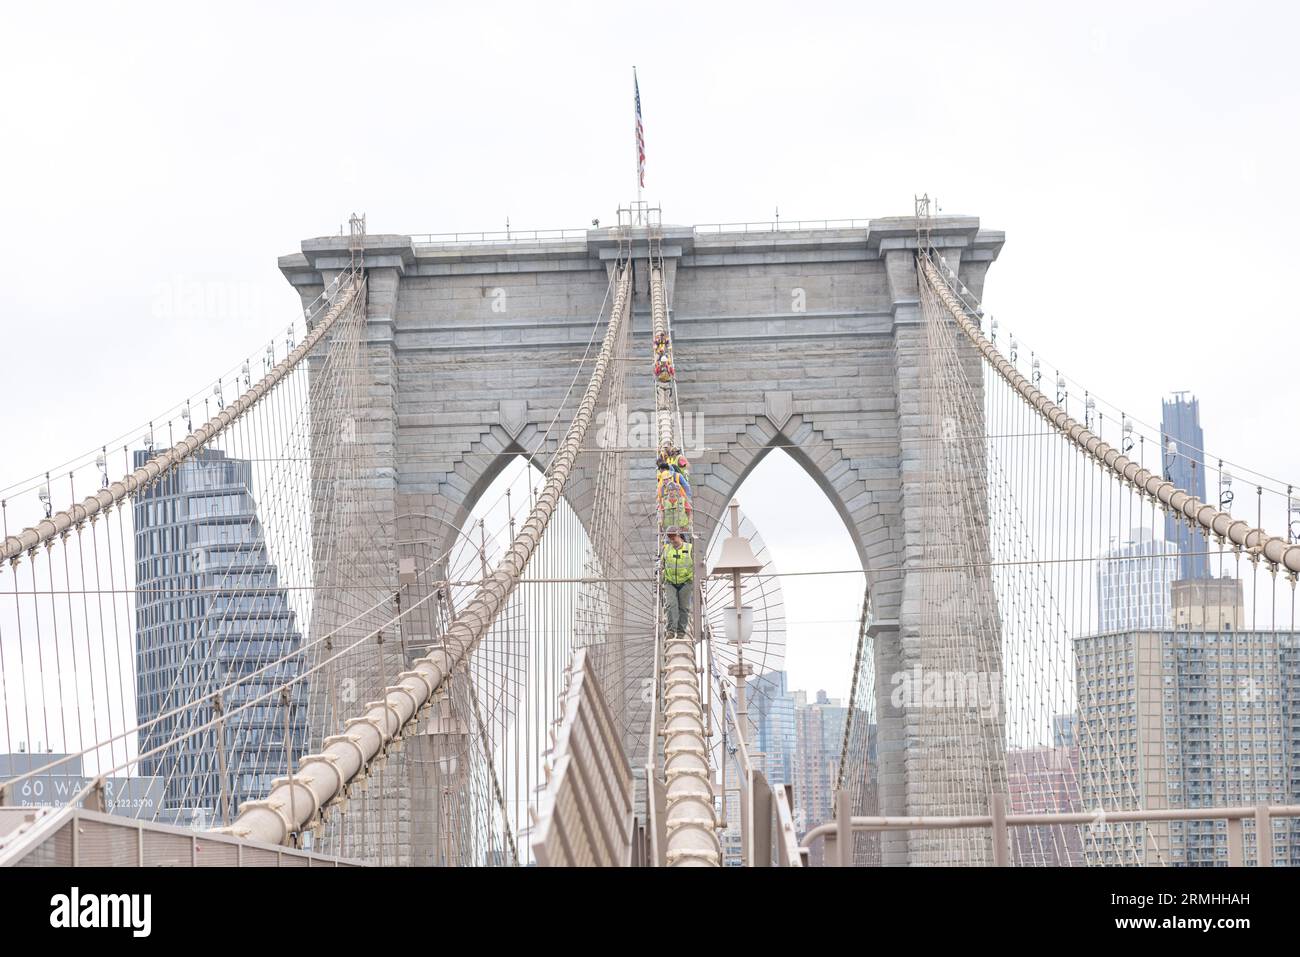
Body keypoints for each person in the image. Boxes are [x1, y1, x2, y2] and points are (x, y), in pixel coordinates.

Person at [660, 528, 694, 638]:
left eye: (673, 537)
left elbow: (697, 564)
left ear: (679, 535)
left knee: (684, 608)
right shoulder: (666, 549)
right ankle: (670, 631)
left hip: (685, 582)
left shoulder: (690, 548)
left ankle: (681, 632)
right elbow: (661, 563)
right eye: (669, 538)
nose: (672, 540)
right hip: (670, 582)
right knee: (671, 605)